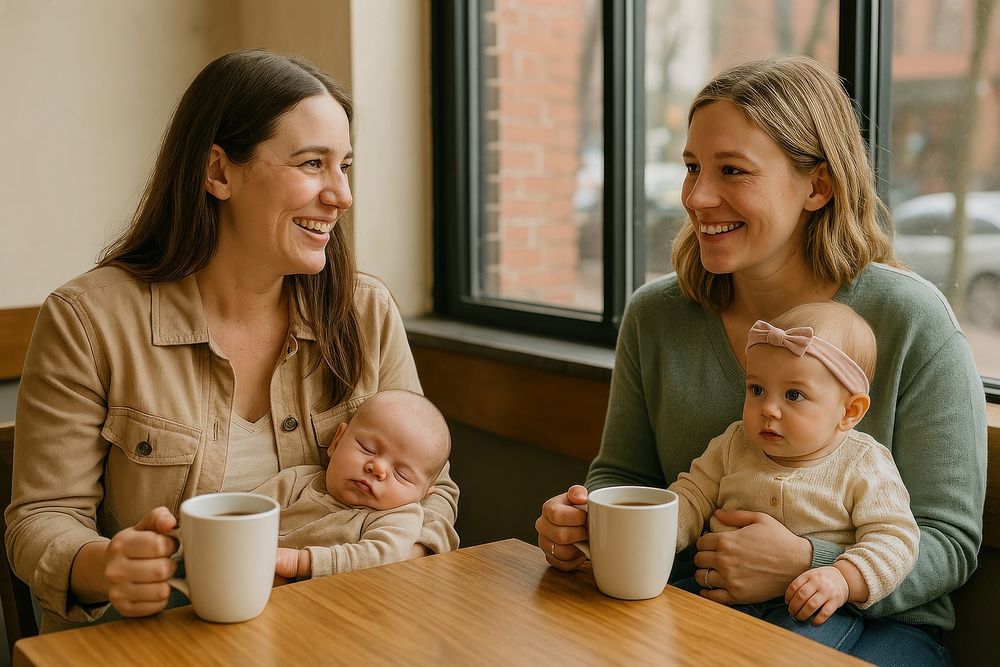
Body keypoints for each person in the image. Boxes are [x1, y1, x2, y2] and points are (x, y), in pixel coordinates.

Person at [535, 55, 986, 666]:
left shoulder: (911, 318)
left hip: (879, 631)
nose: (697, 196)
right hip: (697, 604)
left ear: (818, 186)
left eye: (733, 171)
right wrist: (587, 526)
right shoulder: (656, 316)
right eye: (693, 167)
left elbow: (948, 541)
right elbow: (621, 478)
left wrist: (808, 566)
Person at [5, 49, 459, 633]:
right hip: (150, 641)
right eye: (312, 163)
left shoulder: (364, 311)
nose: (341, 194)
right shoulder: (87, 321)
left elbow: (433, 491)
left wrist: (394, 558)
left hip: (336, 630)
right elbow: (42, 519)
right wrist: (106, 565)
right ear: (218, 172)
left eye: (345, 165)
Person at [670, 301, 919, 652]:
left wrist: (843, 578)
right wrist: (659, 530)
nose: (768, 409)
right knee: (664, 622)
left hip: (811, 608)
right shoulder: (733, 444)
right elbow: (691, 496)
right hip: (718, 587)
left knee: (789, 654)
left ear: (850, 411)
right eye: (757, 390)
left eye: (793, 395)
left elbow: (895, 538)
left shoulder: (863, 464)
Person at [265, 390, 452, 579]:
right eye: (367, 448)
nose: (378, 468)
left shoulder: (398, 517)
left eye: (401, 475)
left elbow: (383, 556)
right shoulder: (297, 481)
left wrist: (300, 562)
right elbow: (246, 513)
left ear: (424, 494)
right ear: (337, 441)